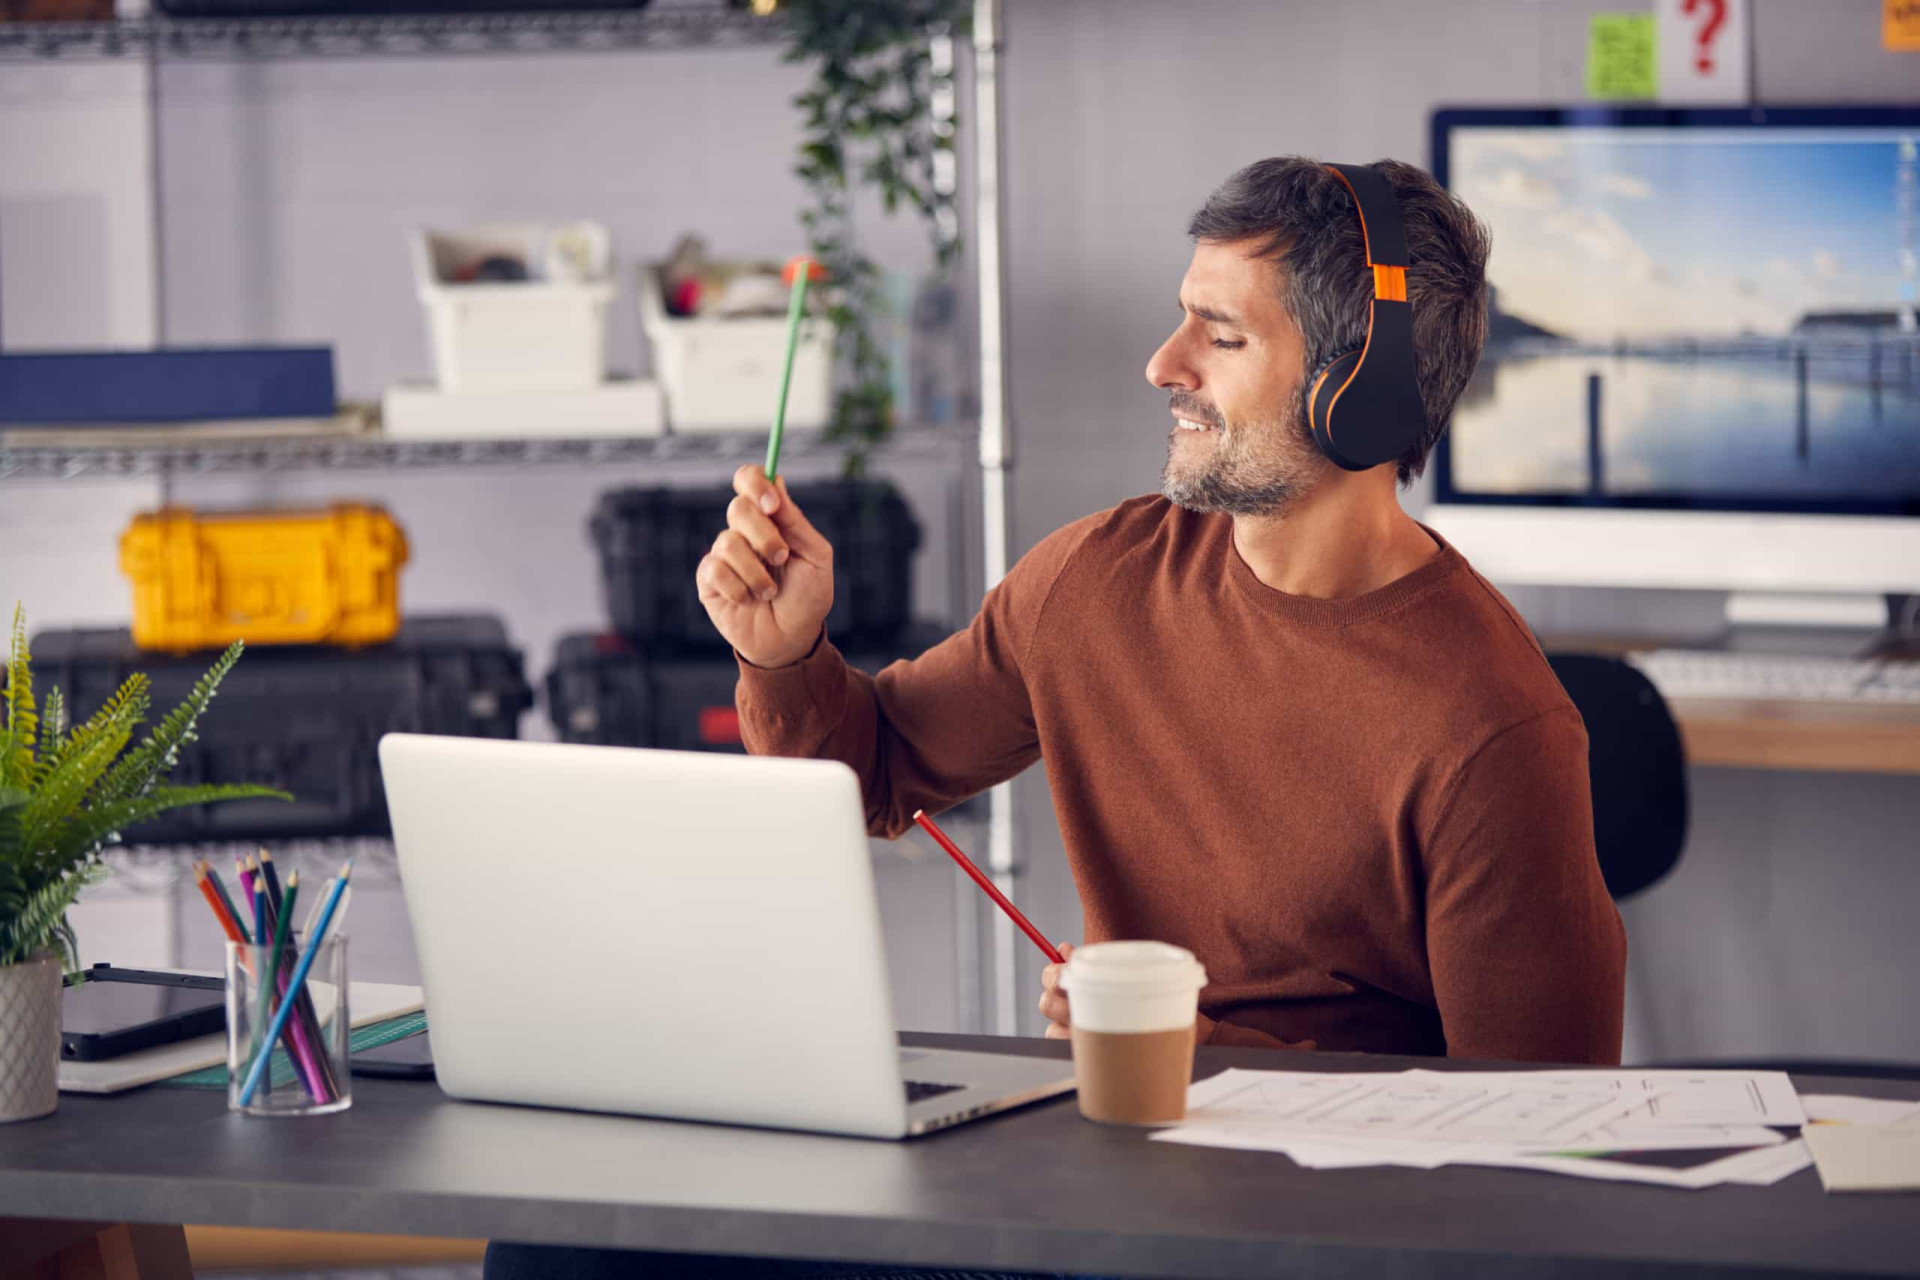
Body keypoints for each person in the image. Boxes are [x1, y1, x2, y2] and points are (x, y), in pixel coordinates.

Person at [485, 155, 1625, 1280]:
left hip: (1300, 1239)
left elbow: (1541, 1143)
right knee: (566, 1235)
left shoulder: (1491, 723)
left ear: (1358, 389)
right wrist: (785, 652)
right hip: (1099, 1184)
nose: (1162, 364)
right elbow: (874, 771)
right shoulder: (1099, 578)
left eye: (1220, 338)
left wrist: (1228, 1066)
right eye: (1182, 319)